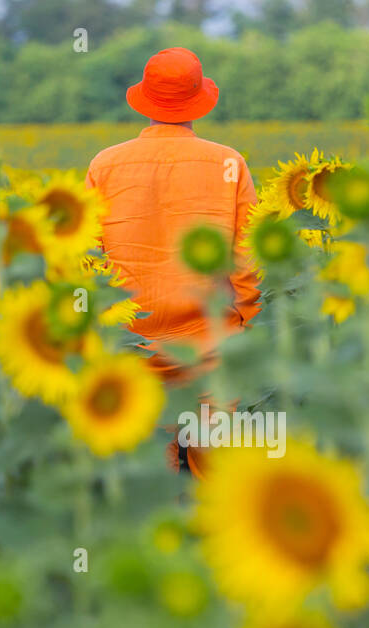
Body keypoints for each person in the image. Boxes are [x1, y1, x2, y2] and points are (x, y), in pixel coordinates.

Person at [84, 47, 261, 385]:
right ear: (199, 98)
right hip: (211, 355)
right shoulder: (229, 164)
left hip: (128, 355)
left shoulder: (103, 166)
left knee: (145, 439)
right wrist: (247, 332)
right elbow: (247, 263)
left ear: (144, 98)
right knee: (211, 438)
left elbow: (88, 261)